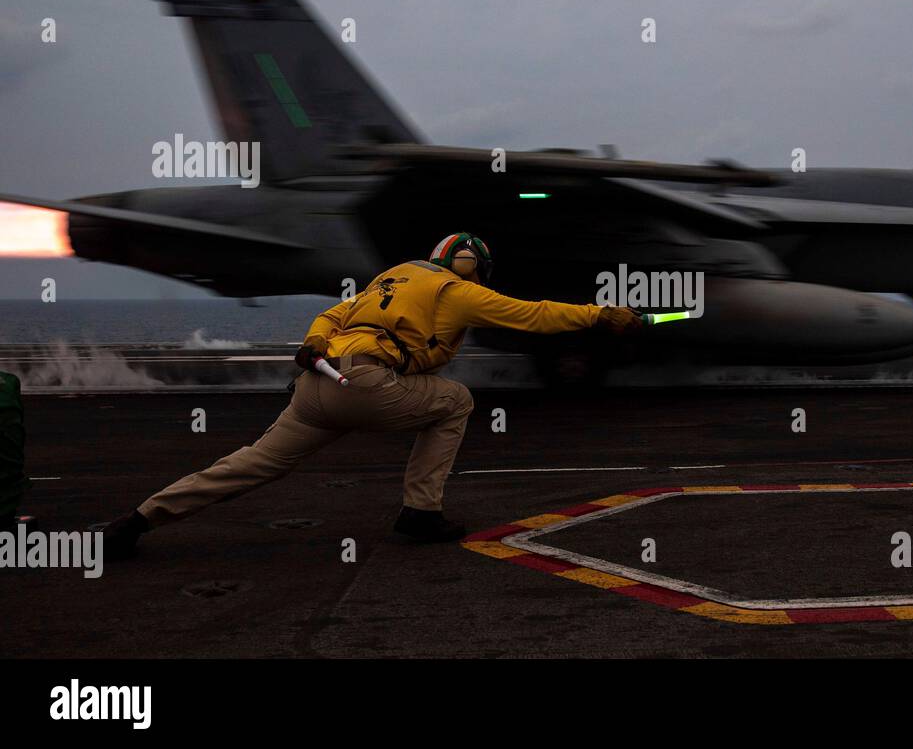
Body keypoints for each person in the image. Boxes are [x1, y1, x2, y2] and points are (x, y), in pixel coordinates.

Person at [102, 232, 642, 558]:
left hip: (318, 383)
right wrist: (602, 314)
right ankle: (420, 512)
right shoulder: (457, 291)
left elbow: (333, 314)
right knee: (455, 401)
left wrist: (313, 339)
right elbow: (534, 315)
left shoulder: (393, 276)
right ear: (471, 264)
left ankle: (138, 520)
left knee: (250, 463)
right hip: (367, 385)